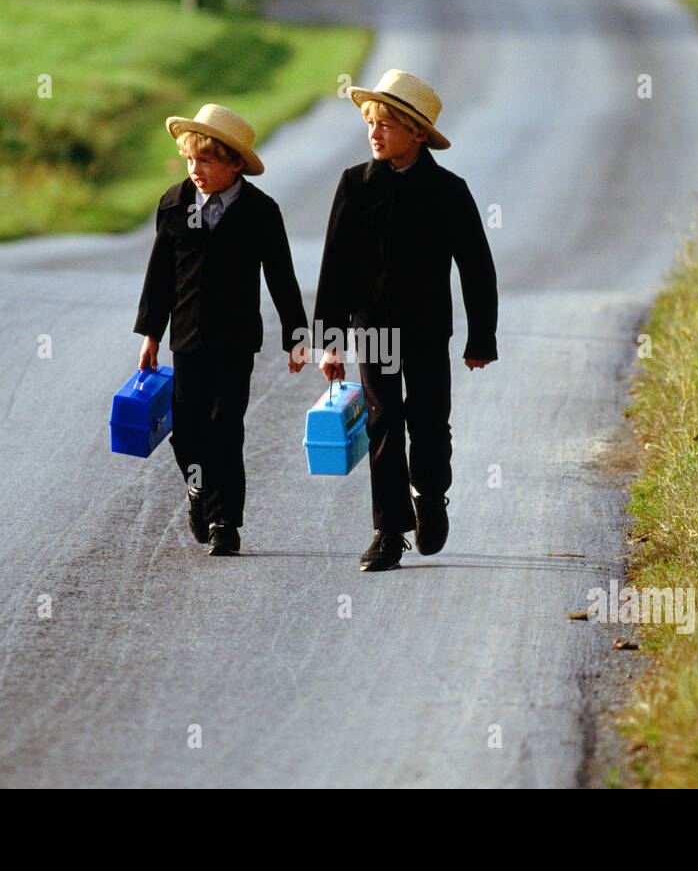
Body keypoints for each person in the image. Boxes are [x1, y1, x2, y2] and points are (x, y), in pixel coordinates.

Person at [313, 70, 498, 571]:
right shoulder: (354, 185)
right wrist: (329, 341)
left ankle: (432, 495)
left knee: (429, 421)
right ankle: (389, 530)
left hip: (426, 328)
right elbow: (335, 267)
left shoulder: (448, 190)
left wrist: (482, 336)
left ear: (418, 133)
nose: (374, 133)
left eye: (386, 125)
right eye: (370, 123)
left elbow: (477, 267)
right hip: (372, 328)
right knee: (383, 422)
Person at [135, 104, 309, 556]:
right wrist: (151, 334)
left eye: (206, 161)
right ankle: (199, 492)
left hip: (235, 341)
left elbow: (281, 277)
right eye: (190, 160)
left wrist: (297, 336)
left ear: (234, 163)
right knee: (188, 431)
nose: (196, 170)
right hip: (187, 339)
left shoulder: (260, 212)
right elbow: (159, 276)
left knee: (226, 427)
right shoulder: (173, 204)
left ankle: (225, 522)